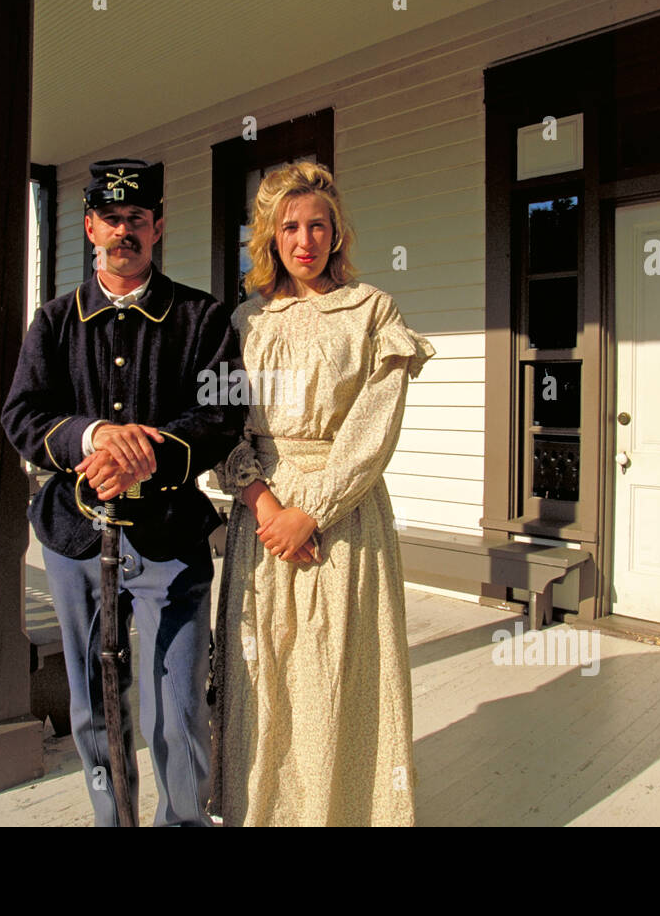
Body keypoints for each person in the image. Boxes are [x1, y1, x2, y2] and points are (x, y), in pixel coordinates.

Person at [1, 158, 244, 826]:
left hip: (171, 539)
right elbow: (22, 417)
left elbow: (222, 417)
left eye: (138, 218)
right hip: (74, 539)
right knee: (93, 708)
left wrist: (145, 455)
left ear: (158, 225)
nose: (124, 230)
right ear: (89, 226)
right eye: (112, 218)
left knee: (178, 710)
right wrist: (95, 437)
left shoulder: (202, 318)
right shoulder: (53, 322)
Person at [211, 160, 434, 826]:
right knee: (267, 675)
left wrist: (313, 510)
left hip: (343, 518)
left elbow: (373, 427)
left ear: (337, 234)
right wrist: (267, 505)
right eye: (290, 227)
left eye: (318, 226)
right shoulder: (245, 322)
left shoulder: (371, 311)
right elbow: (224, 426)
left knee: (334, 673)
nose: (304, 239)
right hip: (262, 517)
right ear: (270, 238)